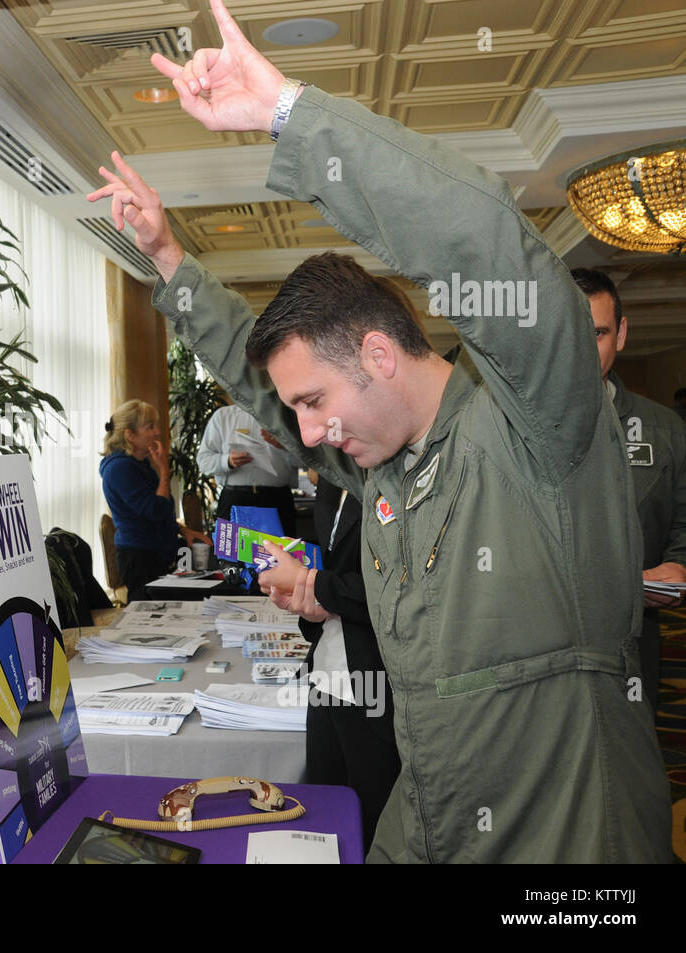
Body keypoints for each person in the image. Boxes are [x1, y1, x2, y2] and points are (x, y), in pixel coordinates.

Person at [88, 0, 669, 862]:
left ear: (378, 353)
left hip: (566, 844)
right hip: (431, 816)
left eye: (317, 402)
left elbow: (483, 244)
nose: (308, 433)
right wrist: (170, 261)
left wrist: (291, 114)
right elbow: (264, 383)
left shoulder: (541, 421)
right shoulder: (389, 467)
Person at [254, 479, 399, 854]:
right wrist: (307, 600)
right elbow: (335, 564)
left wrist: (313, 584)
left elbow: (402, 590)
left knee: (373, 825)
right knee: (323, 815)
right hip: (327, 669)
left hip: (378, 676)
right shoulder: (332, 481)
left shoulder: (396, 474)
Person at [573, 266, 686, 718]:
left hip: (633, 641)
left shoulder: (664, 430)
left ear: (621, 334)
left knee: (631, 771)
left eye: (597, 333)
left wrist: (679, 564)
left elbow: (683, 520)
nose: (582, 351)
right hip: (534, 649)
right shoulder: (503, 428)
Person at [100, 400, 210, 601]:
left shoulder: (138, 464)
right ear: (130, 435)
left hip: (156, 551)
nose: (157, 432)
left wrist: (182, 530)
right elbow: (155, 510)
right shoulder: (120, 469)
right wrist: (165, 472)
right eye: (150, 427)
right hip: (141, 557)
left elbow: (160, 511)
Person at [197, 402, 298, 532]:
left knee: (280, 551)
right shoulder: (223, 416)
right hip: (234, 498)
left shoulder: (286, 417)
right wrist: (227, 461)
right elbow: (204, 461)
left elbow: (309, 462)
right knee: (231, 552)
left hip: (276, 499)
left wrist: (286, 447)